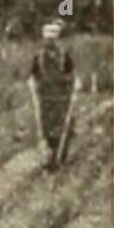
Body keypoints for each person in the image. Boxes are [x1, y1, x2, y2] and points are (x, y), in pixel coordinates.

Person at [28, 22, 76, 170]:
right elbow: (33, 74)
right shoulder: (39, 56)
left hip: (61, 95)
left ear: (57, 39)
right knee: (45, 125)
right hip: (45, 96)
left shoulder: (64, 55)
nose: (50, 42)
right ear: (44, 39)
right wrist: (32, 83)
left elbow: (71, 73)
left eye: (53, 39)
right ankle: (48, 155)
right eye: (48, 39)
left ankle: (60, 154)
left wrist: (73, 84)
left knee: (62, 123)